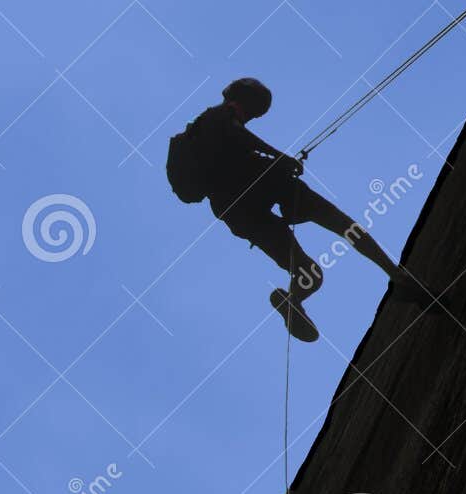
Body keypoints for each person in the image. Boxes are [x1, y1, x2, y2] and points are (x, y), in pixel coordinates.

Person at [168, 77, 423, 342]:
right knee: (338, 221)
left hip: (237, 212)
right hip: (260, 187)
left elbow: (236, 141)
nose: (253, 117)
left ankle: (292, 301)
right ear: (246, 102)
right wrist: (280, 158)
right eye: (255, 111)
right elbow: (236, 134)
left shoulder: (205, 133)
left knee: (309, 273)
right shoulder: (220, 116)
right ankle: (395, 274)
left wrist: (276, 162)